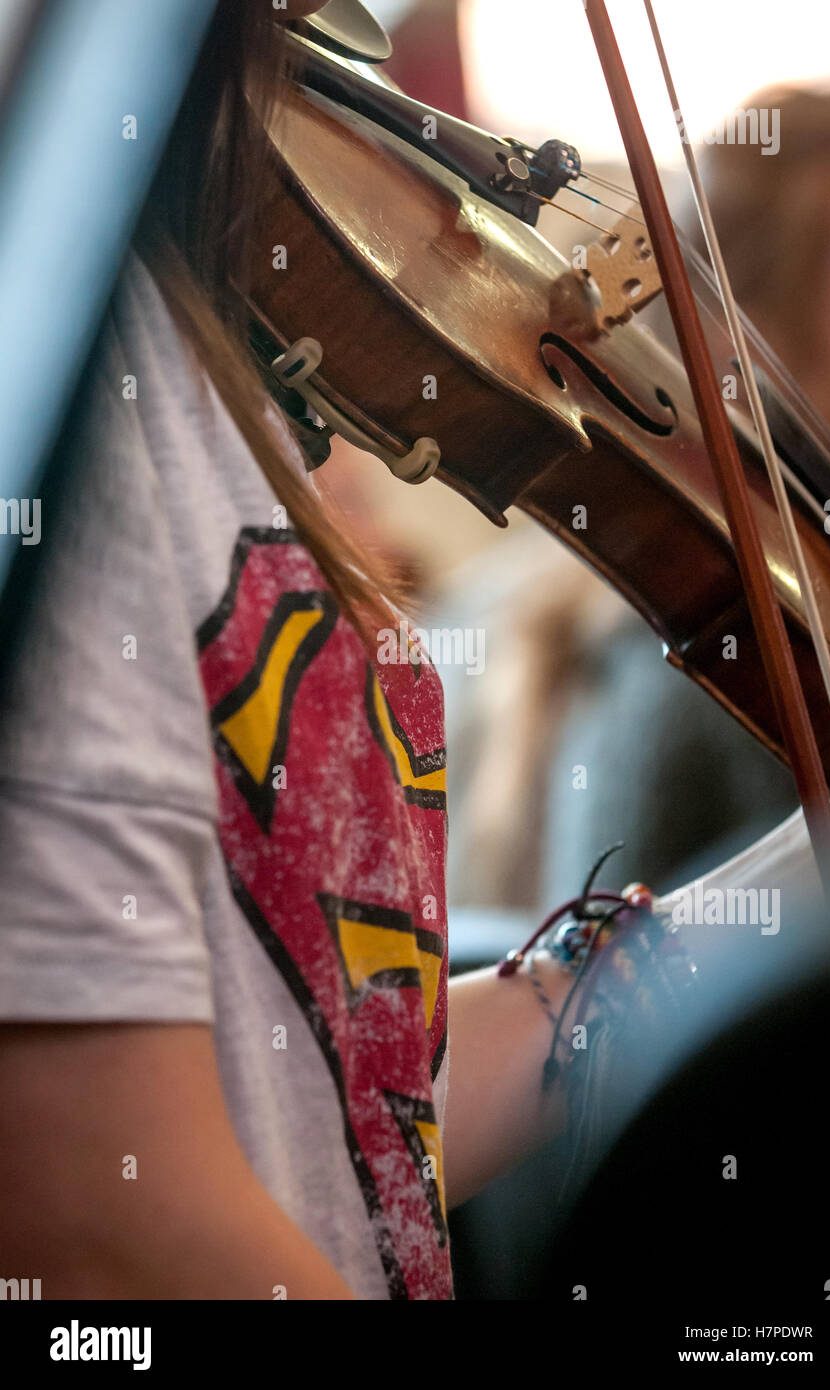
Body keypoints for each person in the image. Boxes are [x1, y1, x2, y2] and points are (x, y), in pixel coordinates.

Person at [0, 0, 581, 1302]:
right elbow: (99, 1209)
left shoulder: (180, 302)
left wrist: (700, 948)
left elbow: (335, 1109)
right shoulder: (46, 289)